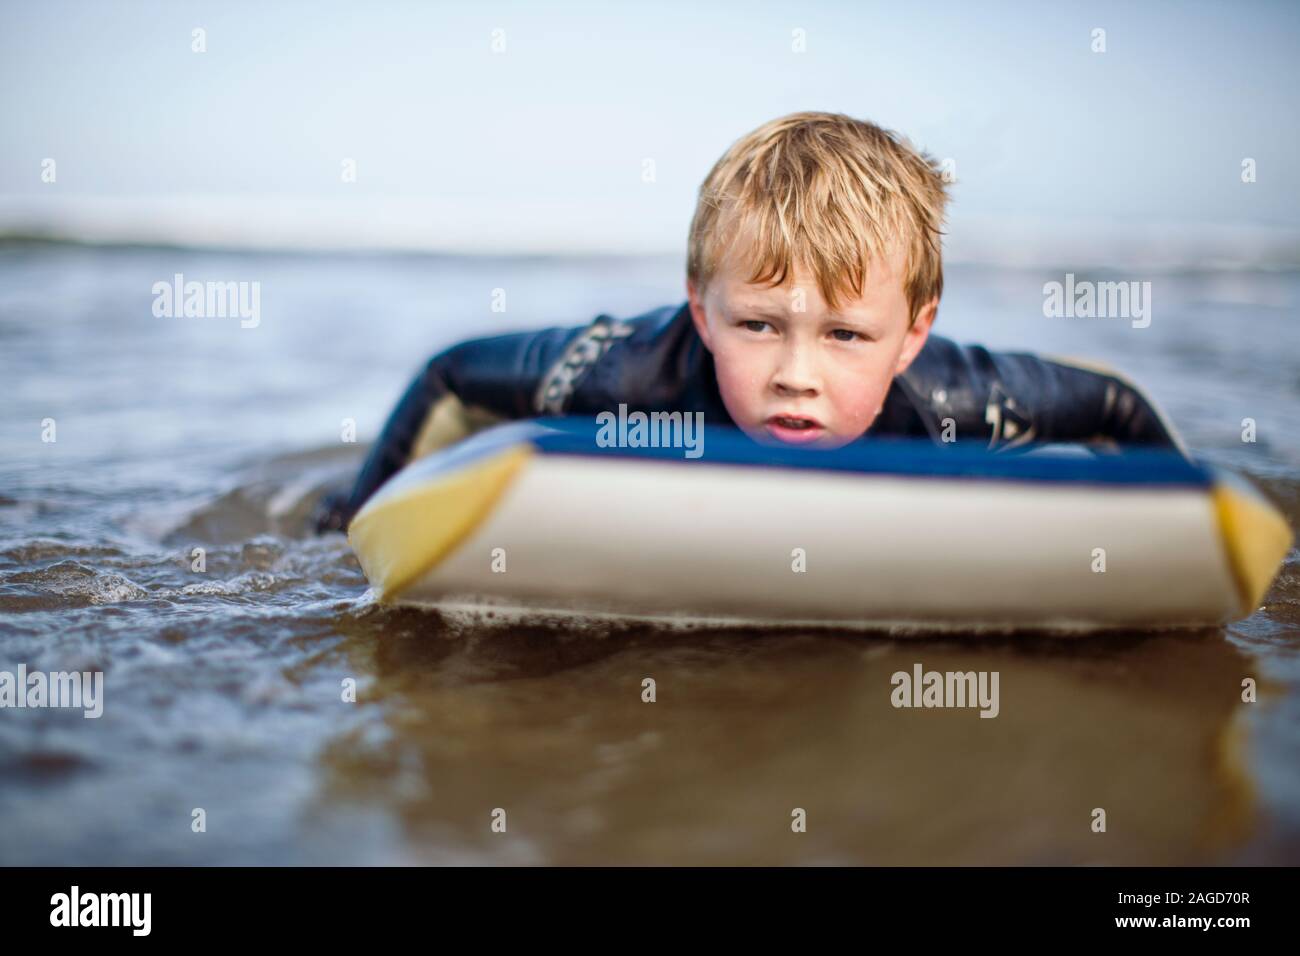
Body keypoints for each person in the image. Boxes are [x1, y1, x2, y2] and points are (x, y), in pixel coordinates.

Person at [315, 111, 1185, 534]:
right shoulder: (623, 376)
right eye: (760, 326)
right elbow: (451, 373)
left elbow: (1113, 408)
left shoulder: (958, 395)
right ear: (703, 310)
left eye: (846, 336)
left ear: (912, 334)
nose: (795, 374)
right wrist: (361, 529)